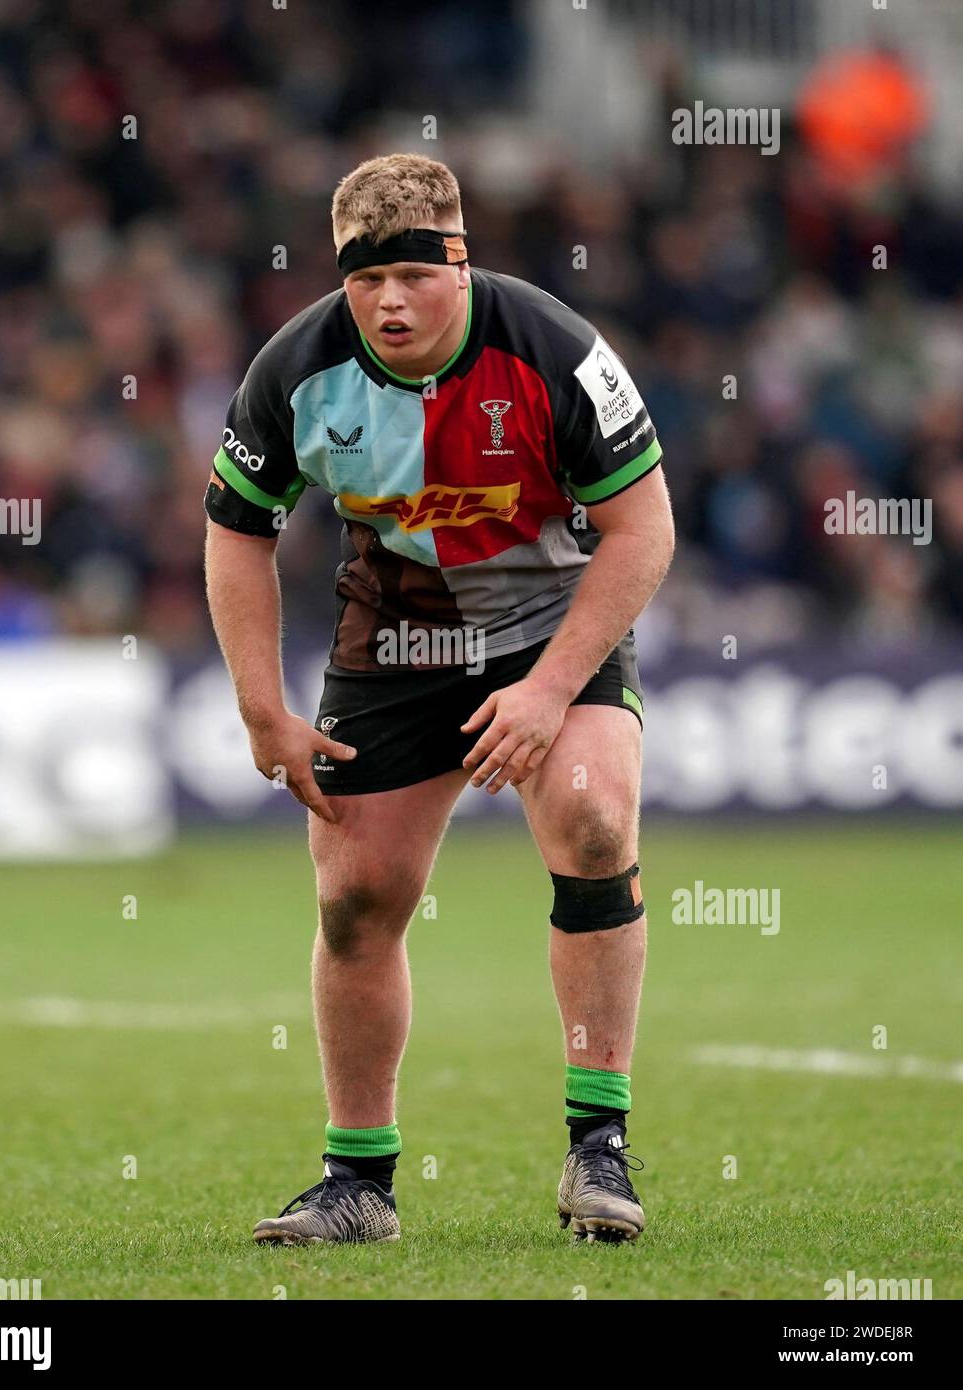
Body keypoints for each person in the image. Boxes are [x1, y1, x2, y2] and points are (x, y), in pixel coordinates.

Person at [204, 152, 675, 1246]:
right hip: (396, 638)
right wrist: (260, 707)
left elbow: (642, 530)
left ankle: (597, 1150)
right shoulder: (293, 369)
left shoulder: (558, 351)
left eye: (413, 276)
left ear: (460, 265)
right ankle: (357, 1183)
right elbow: (237, 531)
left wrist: (550, 690)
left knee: (596, 817)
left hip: (552, 622)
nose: (388, 302)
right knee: (356, 895)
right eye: (364, 281)